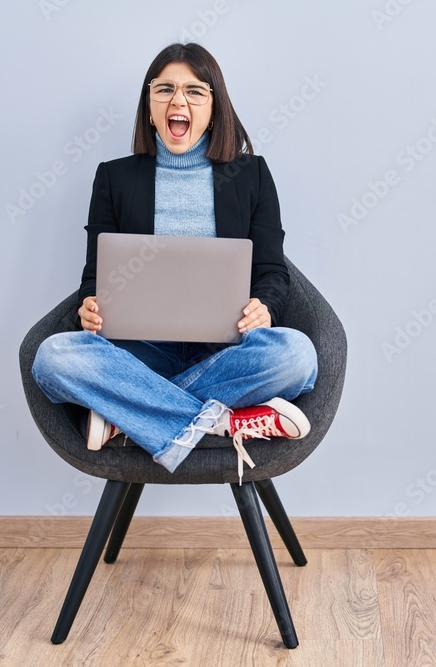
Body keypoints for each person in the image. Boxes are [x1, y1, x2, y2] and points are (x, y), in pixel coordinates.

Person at [31, 43, 318, 483]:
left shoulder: (251, 175)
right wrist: (89, 307)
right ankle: (224, 422)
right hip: (139, 356)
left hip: (226, 352)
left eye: (194, 92)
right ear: (149, 108)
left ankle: (127, 416)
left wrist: (265, 307)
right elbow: (96, 278)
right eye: (164, 89)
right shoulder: (114, 177)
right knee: (51, 359)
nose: (178, 101)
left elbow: (273, 274)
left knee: (298, 357)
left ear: (213, 108)